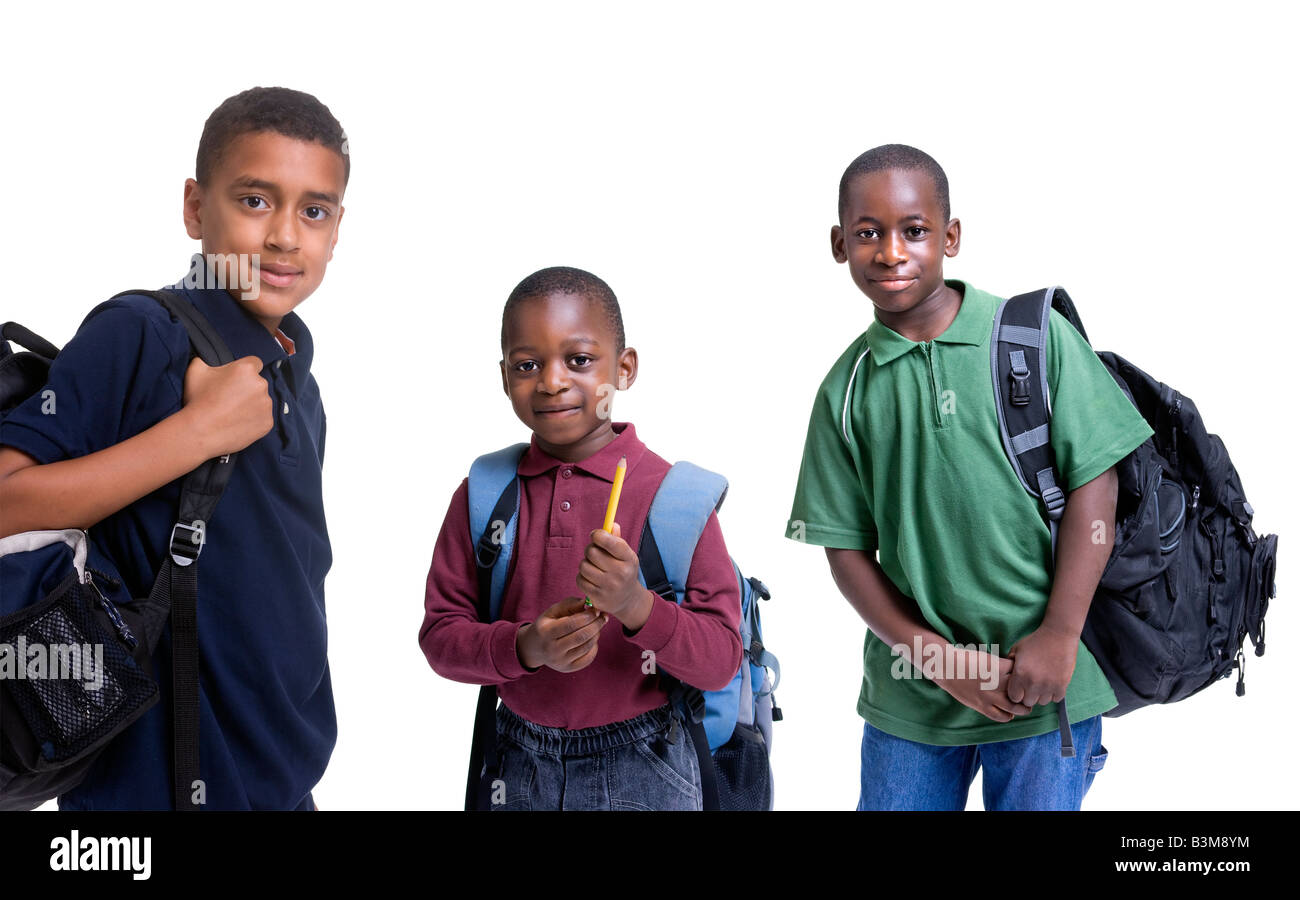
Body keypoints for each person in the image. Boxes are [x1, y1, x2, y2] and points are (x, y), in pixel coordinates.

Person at [0, 86, 348, 810]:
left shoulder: (297, 373)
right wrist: (192, 436)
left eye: (313, 211)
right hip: (158, 783)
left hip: (280, 773)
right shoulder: (143, 332)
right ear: (195, 207)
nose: (285, 236)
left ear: (337, 227)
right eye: (255, 201)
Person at [785, 144, 1152, 810]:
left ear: (950, 236)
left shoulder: (1028, 342)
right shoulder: (845, 391)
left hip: (1043, 685)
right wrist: (938, 660)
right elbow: (845, 551)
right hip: (912, 700)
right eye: (868, 233)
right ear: (839, 244)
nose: (891, 251)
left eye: (914, 230)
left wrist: (1061, 632)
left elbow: (1096, 485)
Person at [420, 266, 742, 810]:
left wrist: (637, 605)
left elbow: (719, 661)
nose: (551, 381)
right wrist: (526, 646)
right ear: (503, 377)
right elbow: (441, 639)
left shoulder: (674, 497)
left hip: (646, 763)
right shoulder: (483, 495)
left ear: (625, 368)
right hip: (516, 761)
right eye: (527, 364)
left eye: (579, 360)